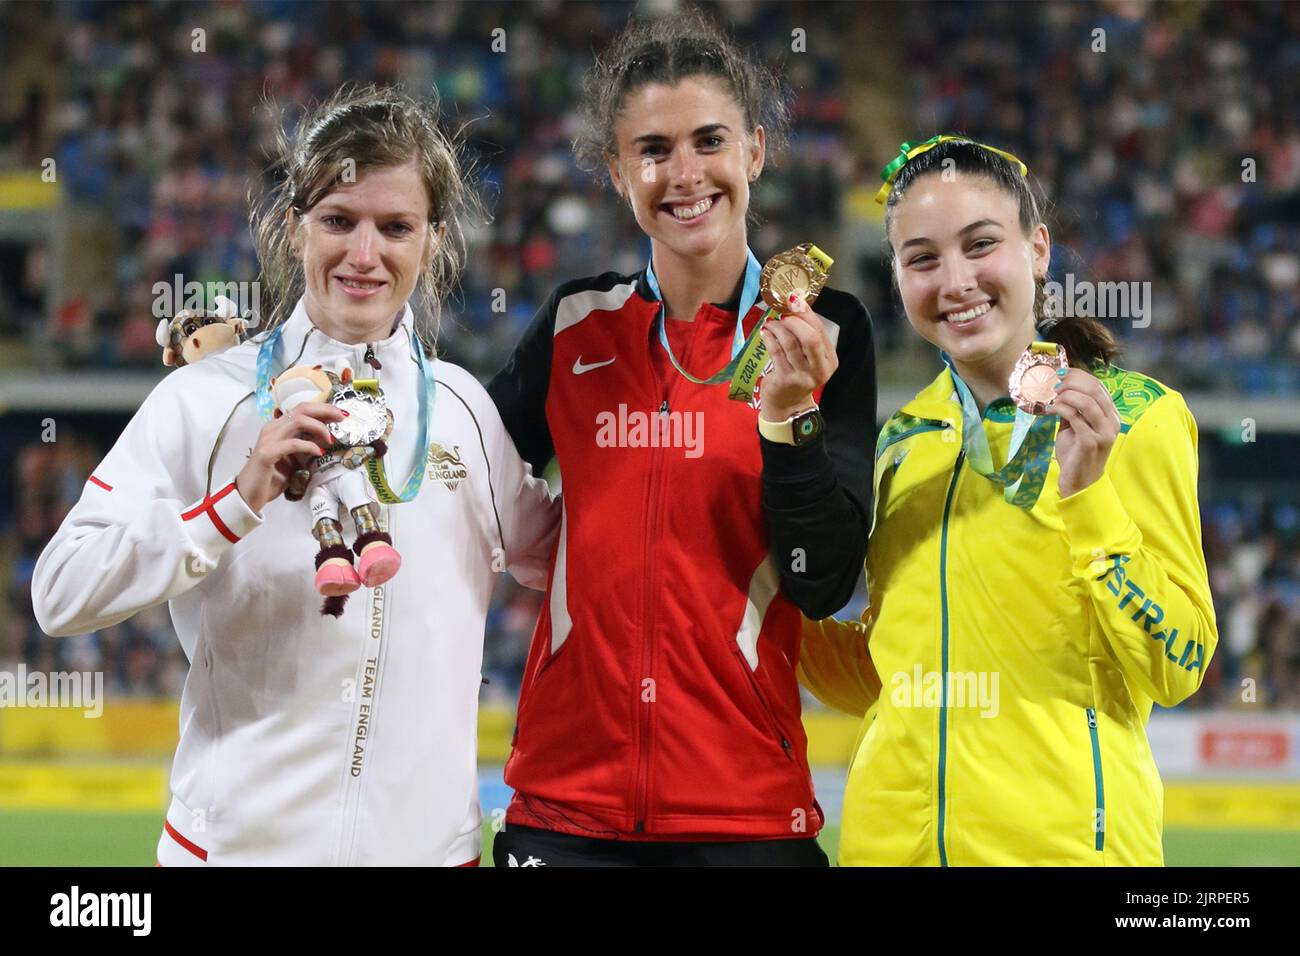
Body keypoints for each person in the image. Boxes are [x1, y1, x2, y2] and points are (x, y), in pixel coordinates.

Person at [31, 86, 559, 866]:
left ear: (434, 239)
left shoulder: (464, 413)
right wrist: (233, 503)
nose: (364, 254)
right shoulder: (204, 400)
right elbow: (61, 593)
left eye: (396, 227)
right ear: (294, 226)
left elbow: (579, 561)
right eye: (338, 221)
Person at [486, 14, 875, 866]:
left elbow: (823, 581)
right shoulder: (574, 326)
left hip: (746, 815)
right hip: (565, 811)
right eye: (654, 149)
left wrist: (790, 420)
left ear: (757, 151)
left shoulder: (827, 328)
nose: (686, 173)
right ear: (619, 171)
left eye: (710, 141)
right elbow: (464, 475)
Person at [798, 135, 1219, 865]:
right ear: (898, 278)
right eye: (922, 258)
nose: (955, 281)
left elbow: (1177, 662)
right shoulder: (903, 437)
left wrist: (1088, 502)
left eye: (980, 244)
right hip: (885, 848)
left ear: (1037, 249)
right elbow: (886, 671)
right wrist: (760, 599)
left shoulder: (1136, 419)